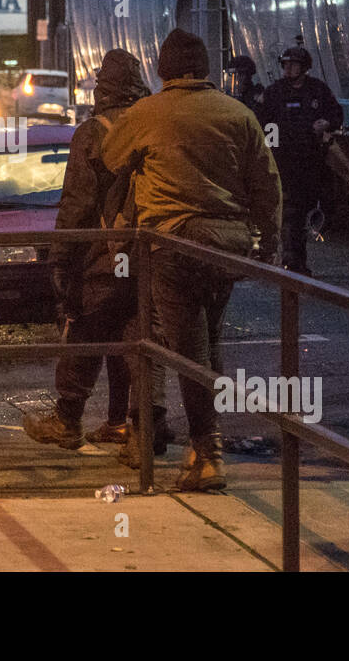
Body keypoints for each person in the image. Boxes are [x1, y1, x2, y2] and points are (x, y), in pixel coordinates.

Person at [103, 29, 282, 492]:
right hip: (226, 245)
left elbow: (110, 156)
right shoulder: (238, 114)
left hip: (173, 245)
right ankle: (205, 446)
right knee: (209, 342)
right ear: (205, 68)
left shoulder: (146, 112)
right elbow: (268, 186)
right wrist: (271, 243)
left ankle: (207, 454)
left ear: (163, 69)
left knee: (187, 351)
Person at [22, 49, 171, 452]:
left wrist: (62, 259)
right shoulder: (155, 126)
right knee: (142, 345)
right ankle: (143, 434)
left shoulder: (93, 132)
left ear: (102, 89)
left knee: (84, 330)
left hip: (104, 257)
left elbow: (76, 204)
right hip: (150, 255)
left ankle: (67, 420)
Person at [257, 37, 343, 277]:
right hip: (285, 160)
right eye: (285, 64)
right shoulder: (275, 92)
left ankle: (296, 258)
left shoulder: (317, 90)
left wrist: (327, 123)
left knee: (311, 207)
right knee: (291, 212)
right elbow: (260, 121)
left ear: (304, 67)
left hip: (312, 159)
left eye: (293, 65)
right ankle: (292, 262)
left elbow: (336, 113)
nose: (288, 69)